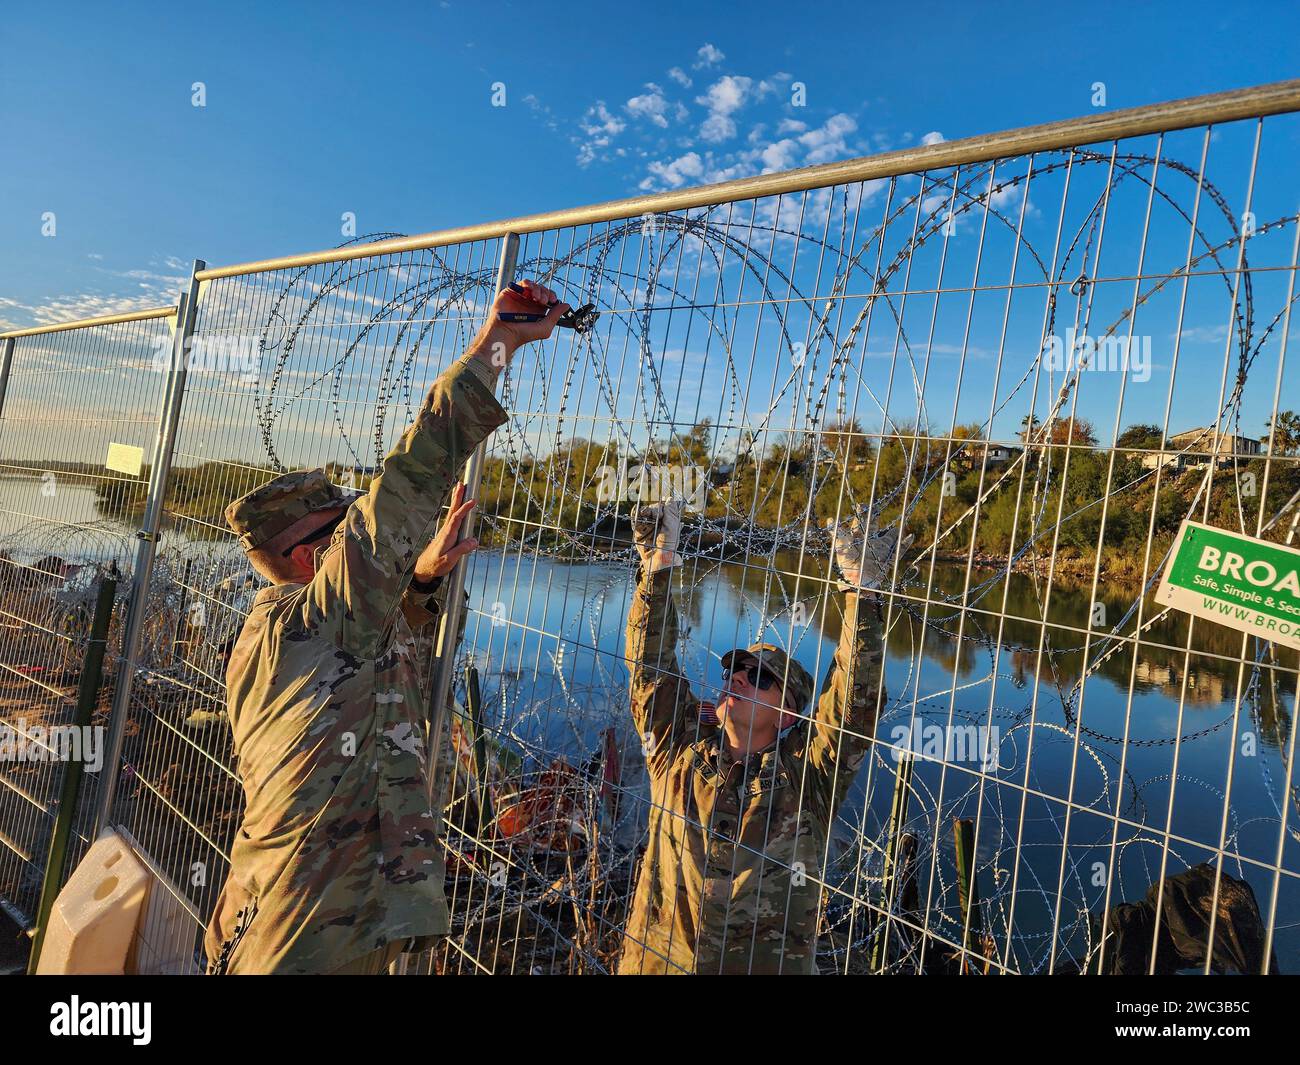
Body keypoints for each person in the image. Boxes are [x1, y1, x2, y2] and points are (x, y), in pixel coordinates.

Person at [203, 280, 568, 974]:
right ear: (312, 557)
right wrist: (502, 341)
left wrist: (424, 578)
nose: (361, 537)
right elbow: (410, 475)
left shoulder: (284, 627)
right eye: (345, 530)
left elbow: (360, 666)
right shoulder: (322, 615)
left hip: (285, 914)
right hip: (310, 937)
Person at [618, 499, 909, 974]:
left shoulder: (807, 780)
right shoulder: (679, 750)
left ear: (788, 714)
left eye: (759, 678)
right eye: (735, 669)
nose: (738, 678)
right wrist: (658, 568)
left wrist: (863, 593)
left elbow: (853, 707)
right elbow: (650, 674)